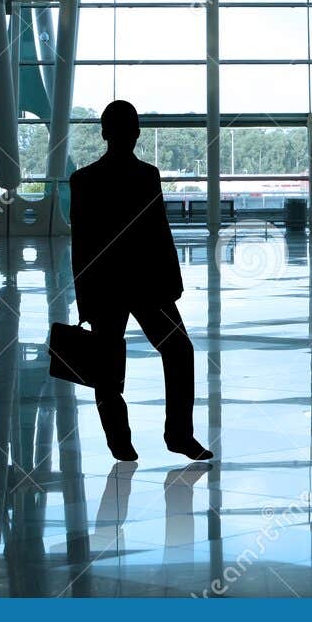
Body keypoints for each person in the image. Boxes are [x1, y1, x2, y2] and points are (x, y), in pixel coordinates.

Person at [70, 100, 211, 464]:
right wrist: (172, 282)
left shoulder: (85, 180)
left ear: (104, 132)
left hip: (107, 285)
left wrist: (84, 298)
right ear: (136, 132)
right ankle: (178, 434)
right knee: (178, 352)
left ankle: (120, 440)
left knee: (108, 366)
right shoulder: (146, 175)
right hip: (146, 284)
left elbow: (81, 244)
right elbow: (159, 232)